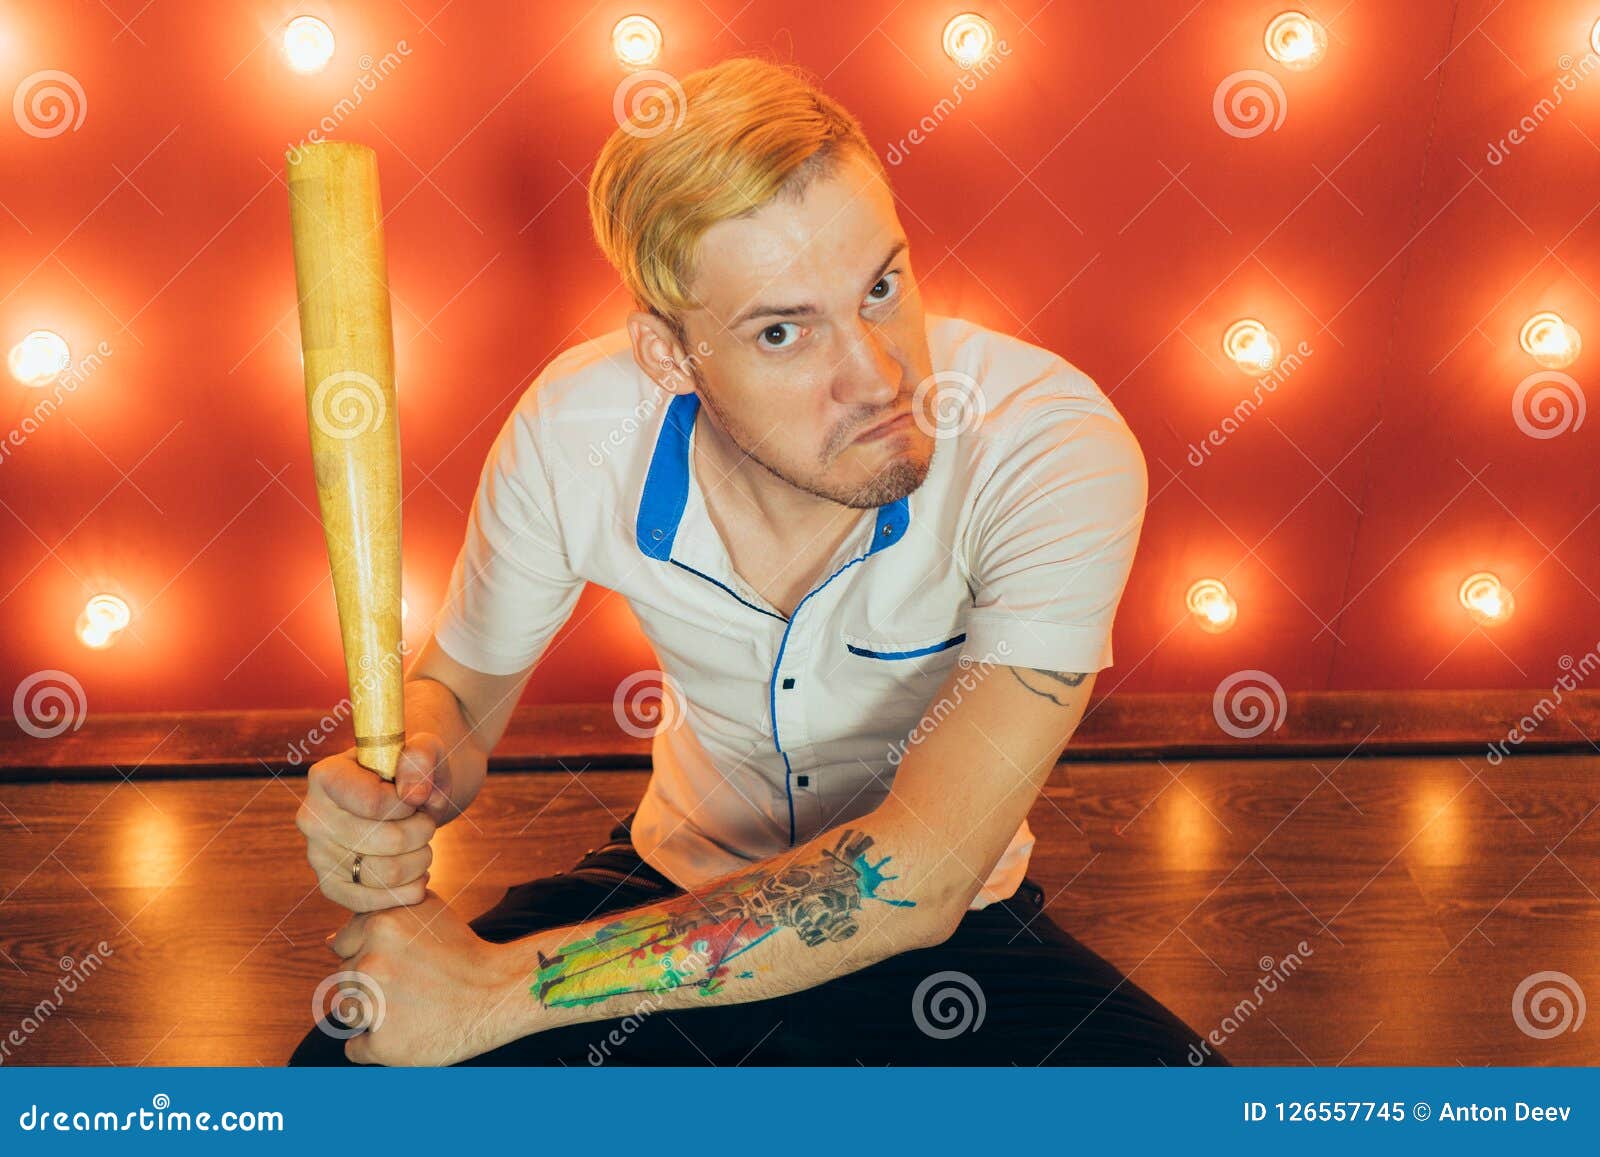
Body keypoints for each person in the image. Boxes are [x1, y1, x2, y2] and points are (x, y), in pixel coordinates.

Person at [289, 54, 1227, 1068]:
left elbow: (921, 866)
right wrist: (409, 773)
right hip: (666, 893)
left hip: (941, 922)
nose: (875, 376)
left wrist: (494, 992)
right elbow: (459, 699)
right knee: (349, 1069)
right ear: (669, 354)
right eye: (782, 330)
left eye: (880, 284)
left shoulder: (1049, 445)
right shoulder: (579, 428)